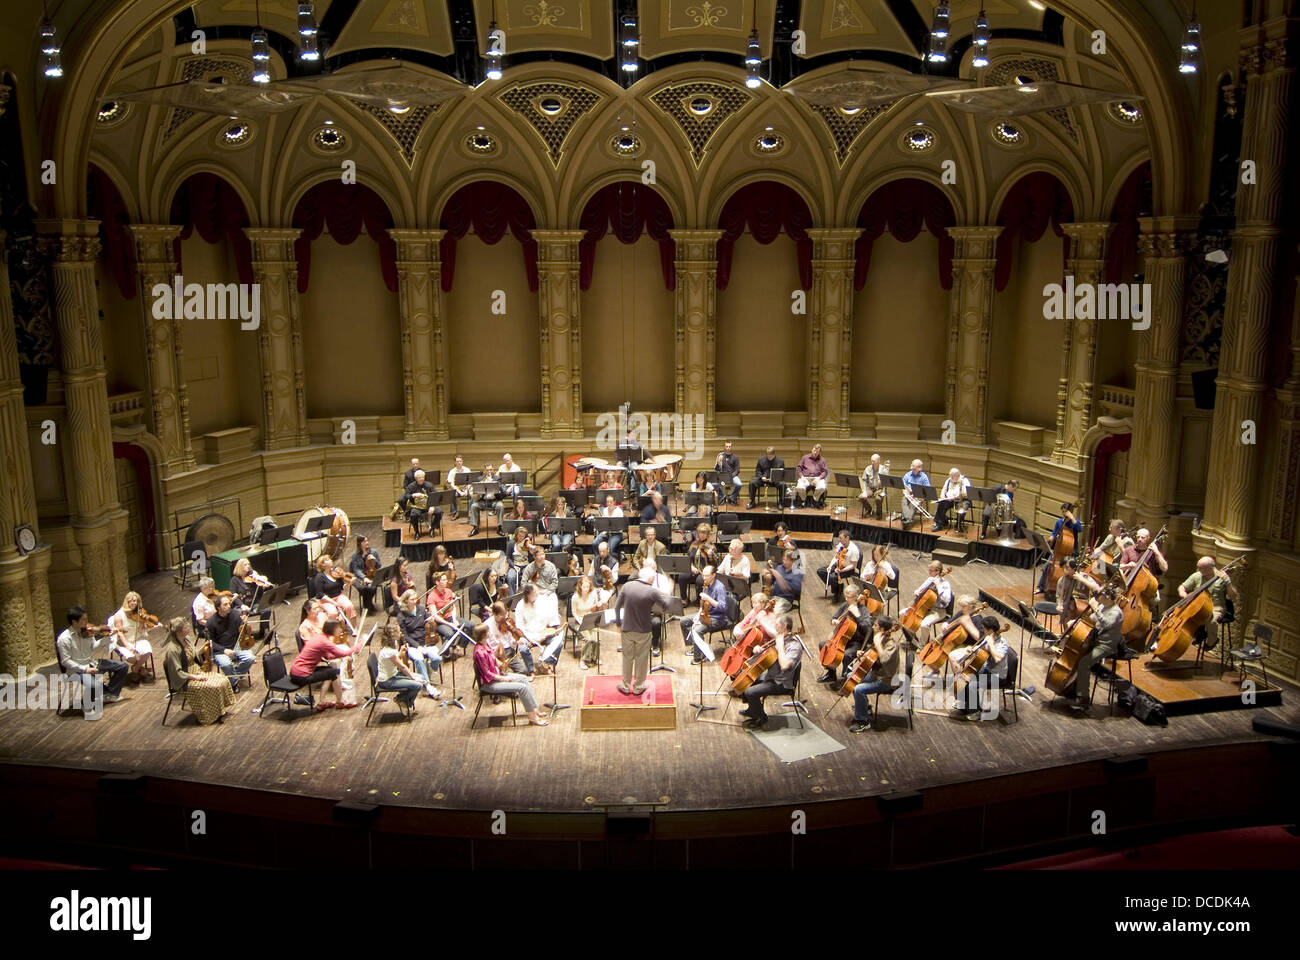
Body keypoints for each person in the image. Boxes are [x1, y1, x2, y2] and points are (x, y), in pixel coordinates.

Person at [471, 623, 549, 726]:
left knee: (524, 679)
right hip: (490, 684)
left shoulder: (486, 644)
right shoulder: (479, 652)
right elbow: (487, 674)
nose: (490, 633)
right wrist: (503, 679)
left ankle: (534, 710)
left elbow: (492, 659)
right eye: (488, 631)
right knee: (522, 688)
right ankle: (532, 718)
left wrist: (500, 662)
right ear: (484, 635)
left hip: (498, 675)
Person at [162, 617, 235, 725]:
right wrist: (195, 677)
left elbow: (194, 654)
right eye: (186, 627)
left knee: (221, 679)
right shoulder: (172, 650)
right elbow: (178, 672)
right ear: (179, 632)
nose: (188, 629)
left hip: (196, 670)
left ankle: (219, 711)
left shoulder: (186, 639)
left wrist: (204, 648)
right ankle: (209, 716)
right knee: (211, 686)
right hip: (185, 678)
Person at [614, 565, 673, 695]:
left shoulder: (626, 586)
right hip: (644, 630)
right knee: (641, 658)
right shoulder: (652, 591)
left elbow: (617, 607)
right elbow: (666, 605)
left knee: (627, 657)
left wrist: (618, 623)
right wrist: (669, 588)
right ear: (650, 578)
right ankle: (638, 686)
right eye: (652, 578)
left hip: (627, 628)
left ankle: (625, 685)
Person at [739, 616, 803, 729]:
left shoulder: (795, 646)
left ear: (784, 627)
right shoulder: (778, 639)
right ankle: (753, 710)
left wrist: (780, 646)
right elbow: (768, 655)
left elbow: (784, 666)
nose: (774, 626)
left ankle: (761, 718)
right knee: (747, 680)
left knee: (750, 692)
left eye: (777, 624)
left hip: (782, 683)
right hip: (771, 676)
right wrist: (758, 649)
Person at [57, 606, 128, 706]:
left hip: (92, 662)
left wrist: (107, 638)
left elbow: (94, 648)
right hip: (76, 670)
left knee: (122, 666)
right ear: (74, 622)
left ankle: (109, 694)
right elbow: (65, 661)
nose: (87, 621)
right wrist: (85, 669)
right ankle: (86, 703)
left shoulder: (87, 632)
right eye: (84, 619)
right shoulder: (64, 639)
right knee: (95, 685)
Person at [290, 618, 362, 711]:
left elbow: (327, 655)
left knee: (329, 671)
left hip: (296, 671)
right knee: (334, 673)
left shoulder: (319, 637)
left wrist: (335, 656)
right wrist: (357, 647)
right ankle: (340, 702)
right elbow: (343, 653)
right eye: (339, 628)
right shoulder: (324, 641)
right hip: (302, 675)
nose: (341, 630)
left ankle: (322, 703)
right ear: (332, 629)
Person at [1069, 589, 1124, 709]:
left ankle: (1083, 699)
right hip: (1095, 640)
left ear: (1109, 598)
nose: (1098, 598)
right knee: (1077, 655)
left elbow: (1106, 624)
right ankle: (1073, 688)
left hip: (1106, 645)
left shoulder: (1116, 612)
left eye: (1101, 596)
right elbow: (1092, 618)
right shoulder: (1104, 607)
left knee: (1084, 663)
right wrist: (1075, 622)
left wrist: (1096, 609)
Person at [848, 617, 903, 733]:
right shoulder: (880, 638)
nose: (873, 627)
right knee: (852, 678)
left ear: (882, 629)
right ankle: (865, 708)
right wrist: (864, 654)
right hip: (876, 674)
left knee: (859, 689)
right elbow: (874, 656)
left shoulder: (891, 645)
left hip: (887, 680)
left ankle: (863, 721)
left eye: (876, 626)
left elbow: (884, 660)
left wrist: (877, 644)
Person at [951, 616, 1012, 717]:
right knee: (963, 679)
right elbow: (982, 650)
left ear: (991, 630)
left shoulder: (1002, 643)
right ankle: (967, 705)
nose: (982, 630)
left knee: (972, 684)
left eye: (984, 629)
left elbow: (997, 659)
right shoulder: (987, 638)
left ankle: (975, 711)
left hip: (997, 675)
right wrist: (972, 649)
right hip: (986, 669)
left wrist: (991, 644)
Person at [1178, 556, 1238, 651]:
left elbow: (1233, 597)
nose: (1198, 569)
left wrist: (1228, 583)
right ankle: (1196, 634)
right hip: (1198, 605)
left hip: (1216, 607)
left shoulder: (1222, 577)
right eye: (1198, 567)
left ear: (1211, 568)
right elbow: (1182, 587)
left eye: (1201, 568)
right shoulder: (1197, 575)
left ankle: (1212, 641)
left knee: (1211, 621)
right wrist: (1183, 593)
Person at [819, 583, 873, 683]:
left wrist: (857, 615)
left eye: (850, 597)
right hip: (841, 638)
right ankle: (831, 674)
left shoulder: (863, 610)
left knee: (847, 655)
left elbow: (867, 627)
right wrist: (834, 621)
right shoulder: (845, 606)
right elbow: (834, 617)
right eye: (846, 596)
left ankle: (845, 679)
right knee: (823, 645)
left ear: (857, 596)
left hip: (856, 642)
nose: (847, 599)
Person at [395, 589, 443, 696]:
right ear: (406, 601)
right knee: (419, 659)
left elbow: (428, 620)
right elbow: (405, 635)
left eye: (415, 598)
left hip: (426, 641)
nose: (415, 601)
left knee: (437, 658)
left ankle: (428, 672)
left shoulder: (421, 609)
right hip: (412, 645)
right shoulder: (401, 615)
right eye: (412, 599)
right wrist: (417, 646)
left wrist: (431, 620)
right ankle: (428, 686)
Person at [205, 594, 255, 690]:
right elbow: (210, 642)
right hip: (220, 650)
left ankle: (233, 677)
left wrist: (245, 624)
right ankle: (234, 683)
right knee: (226, 664)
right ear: (218, 607)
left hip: (237, 645)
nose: (229, 606)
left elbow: (244, 633)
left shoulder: (235, 614)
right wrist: (224, 650)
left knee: (250, 658)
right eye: (225, 604)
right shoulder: (211, 622)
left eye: (229, 603)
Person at [681, 565, 730, 663]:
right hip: (705, 614)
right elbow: (703, 605)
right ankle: (695, 646)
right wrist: (698, 614)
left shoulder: (719, 587)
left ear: (713, 575)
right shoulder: (707, 585)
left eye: (706, 576)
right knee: (683, 621)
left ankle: (699, 657)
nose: (704, 578)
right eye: (703, 575)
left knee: (697, 630)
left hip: (717, 618)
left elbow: (723, 607)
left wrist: (708, 599)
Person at [373, 624, 424, 715]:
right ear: (394, 633)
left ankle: (404, 702)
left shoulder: (392, 645)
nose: (401, 633)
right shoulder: (389, 651)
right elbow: (402, 667)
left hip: (393, 674)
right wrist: (413, 677)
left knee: (420, 678)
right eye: (399, 631)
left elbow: (395, 658)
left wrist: (401, 651)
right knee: (418, 685)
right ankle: (402, 700)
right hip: (387, 681)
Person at [107, 590, 157, 682]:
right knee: (131, 657)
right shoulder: (119, 615)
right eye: (132, 601)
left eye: (136, 601)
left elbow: (141, 631)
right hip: (122, 642)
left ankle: (136, 668)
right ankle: (141, 669)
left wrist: (153, 627)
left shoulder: (139, 613)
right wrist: (128, 646)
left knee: (147, 650)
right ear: (127, 601)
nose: (134, 603)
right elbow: (120, 633)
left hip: (136, 639)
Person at [514, 584, 563, 673]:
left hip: (542, 632)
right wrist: (533, 638)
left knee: (558, 642)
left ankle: (546, 662)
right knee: (522, 648)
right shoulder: (520, 606)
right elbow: (519, 626)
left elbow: (548, 618)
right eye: (535, 592)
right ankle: (531, 670)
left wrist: (548, 630)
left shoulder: (540, 601)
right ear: (528, 594)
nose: (538, 594)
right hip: (528, 635)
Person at [570, 575, 614, 670]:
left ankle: (595, 657)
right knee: (588, 639)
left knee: (596, 638)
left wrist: (599, 605)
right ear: (580, 586)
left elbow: (595, 608)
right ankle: (584, 660)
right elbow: (574, 613)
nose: (586, 589)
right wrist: (581, 621)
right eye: (584, 587)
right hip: (580, 620)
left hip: (590, 618)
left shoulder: (593, 594)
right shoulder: (575, 597)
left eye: (588, 587)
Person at [908, 561, 955, 646]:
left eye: (931, 570)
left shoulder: (945, 584)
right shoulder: (930, 580)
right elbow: (920, 589)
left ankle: (922, 645)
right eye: (929, 570)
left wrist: (938, 586)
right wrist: (917, 591)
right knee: (904, 614)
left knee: (924, 624)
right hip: (924, 607)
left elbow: (946, 601)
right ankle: (912, 640)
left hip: (938, 610)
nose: (929, 572)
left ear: (937, 571)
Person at [427, 570, 472, 651]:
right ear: (437, 582)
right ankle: (445, 653)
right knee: (450, 633)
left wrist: (454, 619)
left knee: (471, 626)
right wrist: (449, 624)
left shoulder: (449, 591)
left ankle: (459, 646)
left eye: (446, 579)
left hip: (450, 618)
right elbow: (435, 615)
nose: (446, 581)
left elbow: (453, 607)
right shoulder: (432, 596)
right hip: (440, 622)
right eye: (443, 580)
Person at [815, 529, 860, 603]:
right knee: (821, 571)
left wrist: (842, 570)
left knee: (833, 577)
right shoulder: (841, 545)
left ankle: (836, 593)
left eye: (841, 538)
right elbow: (836, 557)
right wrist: (830, 566)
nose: (839, 540)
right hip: (838, 565)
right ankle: (839, 586)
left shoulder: (854, 550)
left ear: (847, 538)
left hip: (848, 569)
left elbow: (853, 565)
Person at [312, 555, 357, 621]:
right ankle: (335, 629)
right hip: (325, 600)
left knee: (349, 606)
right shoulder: (319, 577)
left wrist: (350, 583)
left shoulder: (335, 573)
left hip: (338, 596)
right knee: (333, 613)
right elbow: (320, 594)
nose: (331, 560)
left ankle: (354, 629)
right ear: (323, 564)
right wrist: (334, 603)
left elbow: (342, 587)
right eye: (328, 560)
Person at [400, 468, 442, 536]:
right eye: (419, 477)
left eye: (423, 477)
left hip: (428, 505)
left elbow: (435, 496)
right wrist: (413, 495)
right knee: (413, 515)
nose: (422, 479)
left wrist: (432, 506)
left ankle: (432, 529)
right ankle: (416, 532)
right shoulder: (411, 486)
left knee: (439, 512)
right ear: (416, 478)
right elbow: (406, 496)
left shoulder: (429, 485)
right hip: (417, 507)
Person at [468, 462, 506, 536]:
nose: (489, 472)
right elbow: (476, 491)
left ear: (493, 470)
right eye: (487, 470)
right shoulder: (480, 478)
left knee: (500, 506)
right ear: (485, 470)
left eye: (491, 470)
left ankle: (500, 527)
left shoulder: (497, 478)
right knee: (473, 506)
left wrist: (493, 483)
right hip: (483, 501)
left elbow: (502, 492)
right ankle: (475, 528)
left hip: (495, 500)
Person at [348, 535, 382, 614]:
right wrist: (363, 578)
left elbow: (379, 566)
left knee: (372, 588)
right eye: (364, 541)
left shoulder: (374, 552)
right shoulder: (355, 555)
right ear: (359, 543)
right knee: (363, 588)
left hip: (372, 575)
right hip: (358, 577)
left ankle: (367, 605)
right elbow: (356, 570)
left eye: (367, 541)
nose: (367, 543)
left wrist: (374, 560)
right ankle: (368, 605)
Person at [931, 468, 969, 532]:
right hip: (949, 499)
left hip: (961, 500)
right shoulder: (949, 480)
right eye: (950, 476)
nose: (950, 477)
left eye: (952, 476)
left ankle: (959, 524)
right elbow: (944, 489)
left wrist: (955, 497)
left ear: (958, 475)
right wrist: (942, 496)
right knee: (942, 504)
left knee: (963, 508)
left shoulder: (964, 481)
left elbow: (965, 493)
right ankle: (939, 524)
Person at [793, 443, 830, 509]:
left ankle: (814, 499)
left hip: (817, 478)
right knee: (799, 487)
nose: (815, 452)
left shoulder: (822, 460)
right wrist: (802, 477)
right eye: (814, 450)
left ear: (819, 452)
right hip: (805, 478)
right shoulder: (805, 457)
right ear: (812, 449)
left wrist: (818, 478)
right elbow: (799, 468)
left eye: (817, 451)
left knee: (822, 488)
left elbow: (825, 472)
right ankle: (803, 499)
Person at [768, 549, 803, 615]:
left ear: (793, 561)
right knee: (761, 608)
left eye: (786, 560)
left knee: (774, 612)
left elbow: (797, 589)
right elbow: (771, 581)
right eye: (783, 559)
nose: (784, 562)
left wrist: (780, 578)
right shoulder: (779, 567)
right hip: (773, 597)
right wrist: (767, 575)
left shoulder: (797, 572)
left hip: (785, 600)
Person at [592, 492, 626, 557]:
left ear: (614, 502)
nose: (609, 504)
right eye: (608, 502)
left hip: (616, 534)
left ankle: (612, 559)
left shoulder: (619, 511)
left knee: (609, 549)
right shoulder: (604, 510)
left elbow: (620, 526)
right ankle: (598, 559)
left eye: (611, 502)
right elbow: (603, 523)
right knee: (595, 543)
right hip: (606, 533)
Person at [899, 460, 931, 526]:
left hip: (919, 496)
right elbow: (903, 487)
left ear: (919, 468)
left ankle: (906, 519)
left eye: (915, 466)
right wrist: (906, 492)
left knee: (914, 504)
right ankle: (909, 519)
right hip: (909, 495)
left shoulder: (924, 477)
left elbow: (927, 489)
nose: (913, 468)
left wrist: (919, 495)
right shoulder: (907, 475)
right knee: (904, 500)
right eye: (912, 466)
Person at [859, 454, 889, 519]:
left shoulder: (883, 469)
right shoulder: (868, 468)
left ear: (878, 461)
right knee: (861, 497)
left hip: (880, 489)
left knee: (878, 499)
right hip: (870, 488)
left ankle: (879, 513)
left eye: (874, 461)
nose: (872, 463)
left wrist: (882, 481)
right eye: (871, 461)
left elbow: (887, 481)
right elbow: (864, 481)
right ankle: (869, 509)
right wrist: (864, 491)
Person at [506, 526, 533, 593]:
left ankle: (526, 595)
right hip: (515, 565)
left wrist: (531, 552)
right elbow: (508, 557)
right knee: (510, 577)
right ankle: (512, 597)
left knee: (526, 577)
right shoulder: (511, 543)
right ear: (516, 535)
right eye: (519, 536)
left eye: (523, 536)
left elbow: (531, 559)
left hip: (525, 565)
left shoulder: (527, 544)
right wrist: (513, 566)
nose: (521, 538)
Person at [447, 454, 472, 520]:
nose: (459, 463)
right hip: (457, 489)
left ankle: (471, 512)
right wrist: (459, 492)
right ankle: (455, 512)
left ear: (462, 461)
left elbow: (470, 482)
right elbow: (451, 484)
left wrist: (466, 491)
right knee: (451, 495)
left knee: (473, 494)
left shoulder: (467, 469)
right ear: (455, 462)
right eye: (457, 461)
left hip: (466, 489)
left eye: (460, 461)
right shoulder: (452, 471)